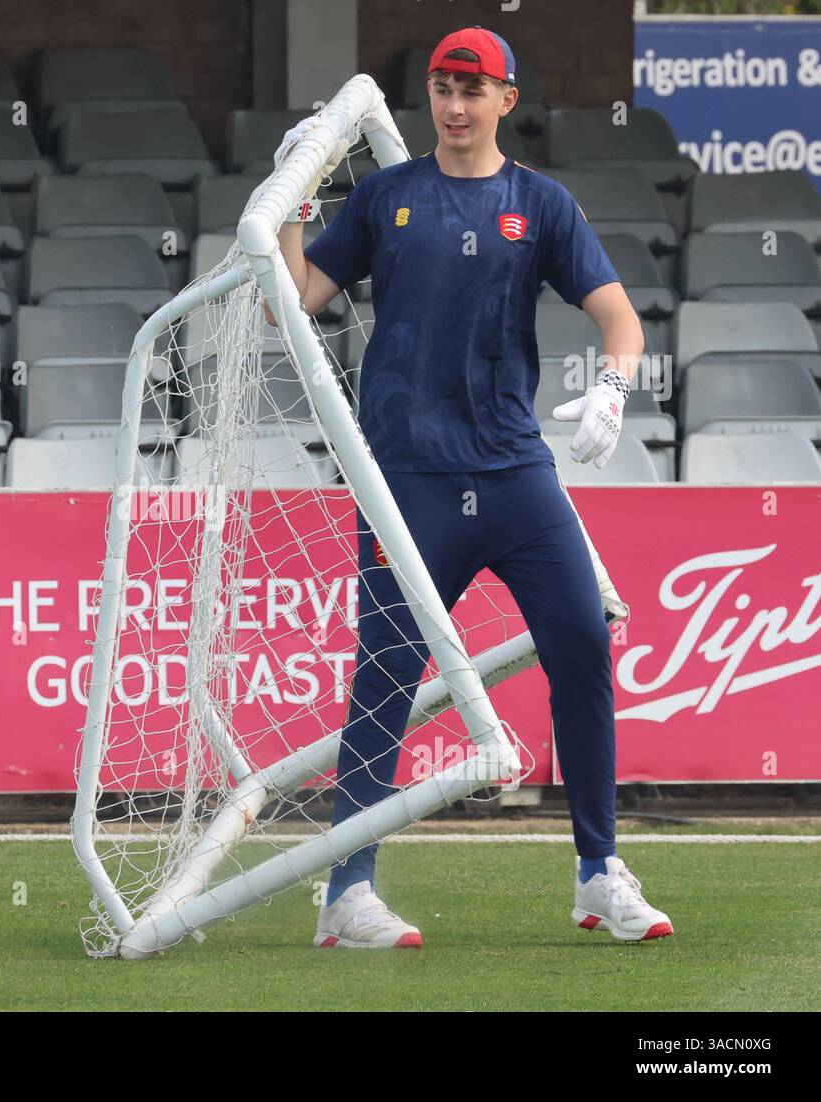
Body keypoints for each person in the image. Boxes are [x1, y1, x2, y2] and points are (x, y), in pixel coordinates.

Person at [272, 26, 674, 947]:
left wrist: (612, 391)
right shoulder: (386, 196)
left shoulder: (541, 203)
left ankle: (599, 872)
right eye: (442, 89)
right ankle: (348, 891)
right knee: (384, 674)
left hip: (514, 472)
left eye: (472, 89)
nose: (454, 107)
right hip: (408, 477)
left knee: (579, 641)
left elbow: (620, 321)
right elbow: (295, 300)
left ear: (506, 98)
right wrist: (293, 197)